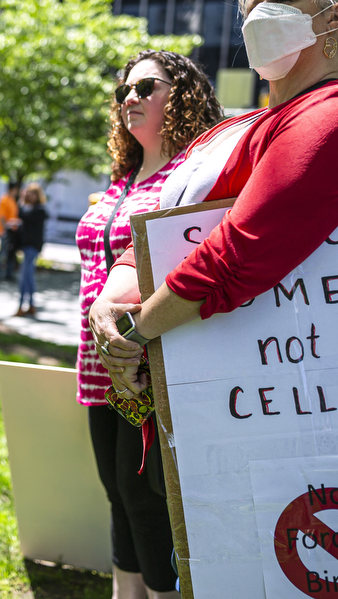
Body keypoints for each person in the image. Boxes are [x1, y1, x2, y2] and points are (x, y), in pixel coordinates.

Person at [92, 0, 338, 476]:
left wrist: (135, 331)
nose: (258, 18)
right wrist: (107, 306)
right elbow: (154, 227)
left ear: (334, 18)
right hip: (181, 384)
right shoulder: (235, 127)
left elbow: (239, 252)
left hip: (261, 401)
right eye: (251, 7)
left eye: (280, 1)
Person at [77, 50, 222, 599]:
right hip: (96, 364)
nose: (129, 99)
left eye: (145, 88)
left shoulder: (187, 180)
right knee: (115, 492)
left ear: (181, 96)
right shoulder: (120, 179)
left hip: (149, 361)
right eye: (123, 92)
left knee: (146, 500)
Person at [12, 183, 48, 317]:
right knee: (28, 277)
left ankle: (22, 305)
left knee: (24, 276)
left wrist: (22, 201)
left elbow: (25, 217)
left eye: (32, 193)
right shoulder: (28, 208)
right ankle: (31, 305)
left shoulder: (40, 211)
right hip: (26, 246)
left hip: (32, 247)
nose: (29, 196)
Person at [0, 182, 20, 280]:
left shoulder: (12, 200)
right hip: (5, 231)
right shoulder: (4, 199)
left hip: (12, 231)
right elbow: (2, 217)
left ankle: (8, 274)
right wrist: (5, 230)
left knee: (9, 253)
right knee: (2, 253)